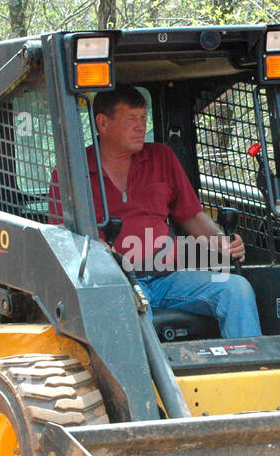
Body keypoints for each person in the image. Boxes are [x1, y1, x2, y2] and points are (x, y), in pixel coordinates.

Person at [48, 84, 261, 338]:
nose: (141, 127)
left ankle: (246, 372)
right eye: (131, 119)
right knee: (132, 311)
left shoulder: (162, 157)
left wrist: (221, 242)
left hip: (166, 278)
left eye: (143, 119)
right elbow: (62, 238)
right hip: (115, 284)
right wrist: (98, 251)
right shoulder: (72, 172)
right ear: (103, 123)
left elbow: (191, 215)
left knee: (235, 289)